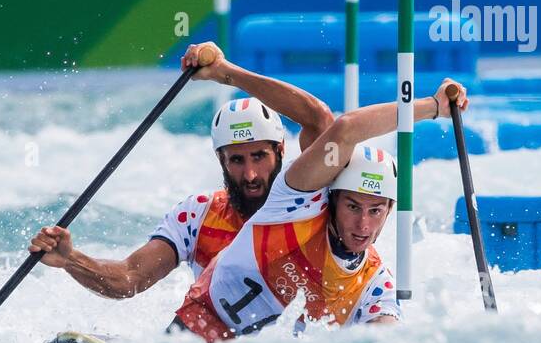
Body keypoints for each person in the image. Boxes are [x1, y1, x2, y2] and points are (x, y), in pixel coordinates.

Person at [28, 42, 333, 300]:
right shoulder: (197, 216)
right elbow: (130, 278)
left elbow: (318, 119)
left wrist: (226, 73)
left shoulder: (308, 196)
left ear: (280, 150)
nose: (251, 175)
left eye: (259, 157)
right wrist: (71, 259)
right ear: (221, 161)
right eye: (237, 161)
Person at [171, 78, 468, 342]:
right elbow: (342, 128)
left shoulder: (375, 285)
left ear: (390, 211)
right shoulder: (294, 205)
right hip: (190, 341)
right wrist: (432, 107)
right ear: (332, 200)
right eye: (352, 207)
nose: (363, 225)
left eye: (375, 211)